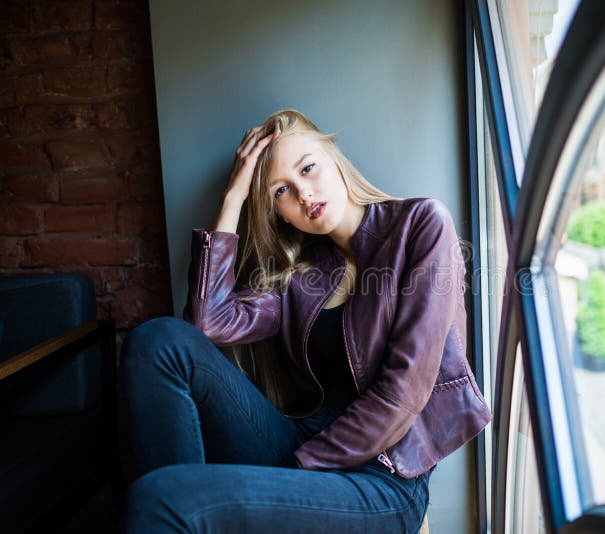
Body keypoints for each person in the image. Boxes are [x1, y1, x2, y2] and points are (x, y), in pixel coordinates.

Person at [120, 109, 492, 533]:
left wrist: (299, 468)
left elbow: (404, 393)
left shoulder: (420, 226)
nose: (304, 194)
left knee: (162, 499)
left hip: (382, 478)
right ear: (278, 211)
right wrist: (234, 198)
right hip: (307, 444)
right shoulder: (302, 275)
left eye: (309, 168)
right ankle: (185, 498)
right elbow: (208, 324)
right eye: (282, 190)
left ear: (333, 157)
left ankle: (184, 502)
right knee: (157, 341)